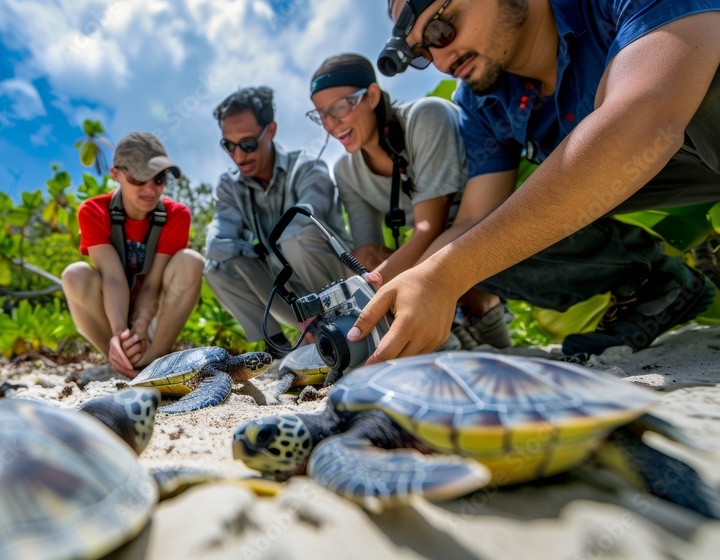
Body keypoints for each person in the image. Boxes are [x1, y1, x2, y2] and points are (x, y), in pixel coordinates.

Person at [349, 0, 719, 362]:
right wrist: (414, 287)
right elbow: (473, 222)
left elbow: (642, 117)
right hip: (667, 175)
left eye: (440, 29)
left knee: (693, 68)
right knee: (474, 234)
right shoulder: (482, 101)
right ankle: (653, 283)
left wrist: (449, 274)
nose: (443, 63)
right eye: (423, 53)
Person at [309, 53, 509, 349]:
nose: (330, 123)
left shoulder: (426, 116)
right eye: (321, 114)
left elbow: (430, 228)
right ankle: (447, 335)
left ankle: (483, 309)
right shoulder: (346, 170)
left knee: (373, 283)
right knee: (364, 259)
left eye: (339, 107)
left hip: (487, 243)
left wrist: (358, 305)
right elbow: (366, 262)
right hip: (429, 260)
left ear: (372, 95)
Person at [203, 86, 353, 358]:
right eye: (228, 145)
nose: (238, 156)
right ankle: (279, 349)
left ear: (270, 130)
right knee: (216, 268)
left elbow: (304, 220)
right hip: (290, 297)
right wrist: (249, 249)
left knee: (295, 238)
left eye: (247, 144)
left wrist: (248, 245)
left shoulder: (308, 167)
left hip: (339, 286)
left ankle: (340, 325)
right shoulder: (230, 185)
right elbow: (215, 244)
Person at [63, 132, 204, 378]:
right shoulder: (93, 211)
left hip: (153, 317)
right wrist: (121, 334)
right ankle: (119, 358)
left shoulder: (176, 215)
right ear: (115, 174)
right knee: (74, 274)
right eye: (138, 178)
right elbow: (113, 277)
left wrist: (140, 327)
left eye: (159, 179)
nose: (150, 190)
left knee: (192, 261)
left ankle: (155, 361)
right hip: (110, 316)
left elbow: (153, 283)